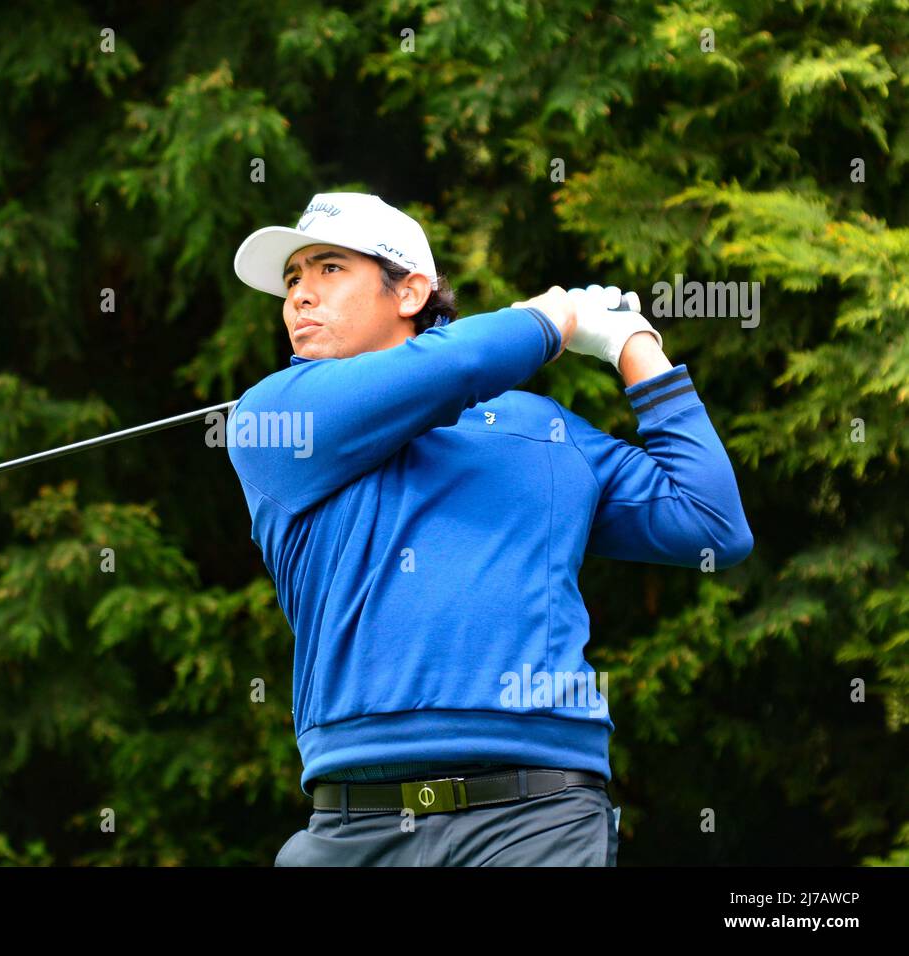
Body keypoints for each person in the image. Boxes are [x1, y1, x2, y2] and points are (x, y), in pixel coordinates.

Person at [226, 191, 754, 866]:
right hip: (350, 829)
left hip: (537, 821)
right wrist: (552, 316)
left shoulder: (544, 429)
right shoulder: (276, 420)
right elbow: (456, 365)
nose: (299, 295)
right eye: (292, 280)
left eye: (329, 269)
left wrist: (634, 345)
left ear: (410, 291)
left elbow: (712, 525)